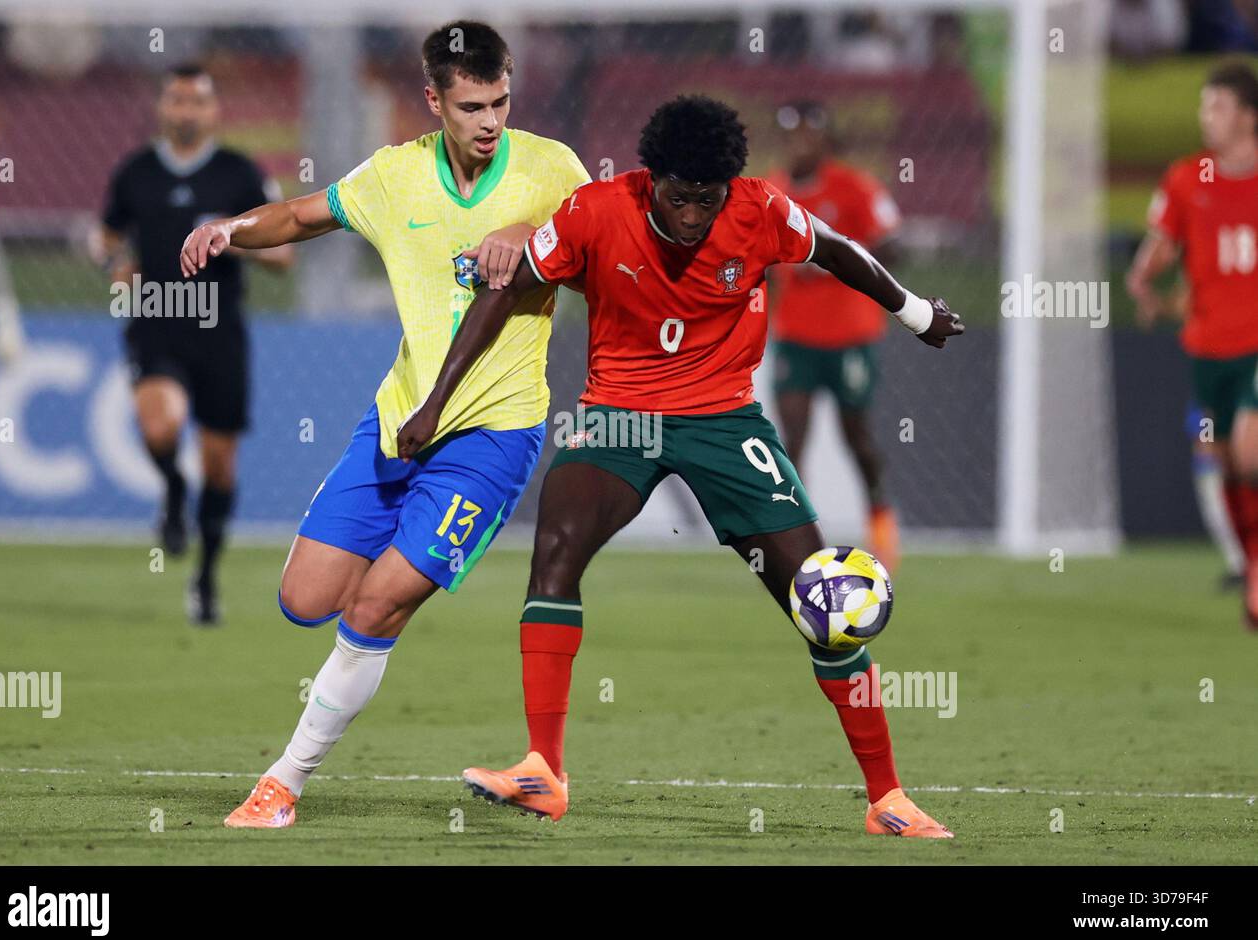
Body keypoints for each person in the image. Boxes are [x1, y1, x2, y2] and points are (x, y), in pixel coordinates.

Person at [399, 95, 964, 837]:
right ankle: (543, 768)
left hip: (724, 420)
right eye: (679, 195)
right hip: (618, 415)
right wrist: (436, 401)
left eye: (709, 197)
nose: (695, 213)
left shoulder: (761, 209)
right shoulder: (596, 211)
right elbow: (505, 288)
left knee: (821, 603)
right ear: (650, 177)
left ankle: (888, 797)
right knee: (556, 551)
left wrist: (916, 314)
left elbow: (836, 248)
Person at [179, 21, 589, 828]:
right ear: (433, 100)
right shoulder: (394, 177)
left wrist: (534, 234)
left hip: (493, 437)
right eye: (471, 106)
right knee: (306, 598)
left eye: (501, 101)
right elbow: (302, 216)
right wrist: (232, 229)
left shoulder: (553, 171)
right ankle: (352, 658)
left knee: (373, 610)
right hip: (397, 422)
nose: (490, 121)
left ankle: (283, 784)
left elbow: (607, 232)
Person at [96, 63, 293, 624]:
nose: (187, 110)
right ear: (163, 107)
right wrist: (117, 263)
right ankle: (173, 489)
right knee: (159, 427)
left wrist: (228, 238)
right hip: (157, 322)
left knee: (220, 463)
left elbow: (282, 256)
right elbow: (106, 237)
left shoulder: (240, 175)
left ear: (214, 110)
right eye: (177, 100)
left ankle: (205, 577)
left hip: (219, 333)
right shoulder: (135, 172)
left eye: (197, 101)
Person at [1127, 61, 1258, 624]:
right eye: (1204, 106)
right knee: (1226, 463)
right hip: (1209, 346)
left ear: (1248, 116)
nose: (1207, 117)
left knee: (1252, 451)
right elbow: (1161, 244)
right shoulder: (1188, 178)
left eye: (1218, 106)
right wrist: (1142, 281)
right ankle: (1251, 562)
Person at [768, 101, 904, 571]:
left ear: (824, 140)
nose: (798, 143)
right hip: (794, 336)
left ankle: (881, 519)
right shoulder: (771, 192)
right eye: (790, 134)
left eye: (807, 133)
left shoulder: (854, 188)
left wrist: (836, 257)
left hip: (850, 335)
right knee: (791, 439)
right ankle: (799, 539)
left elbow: (893, 246)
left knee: (857, 436)